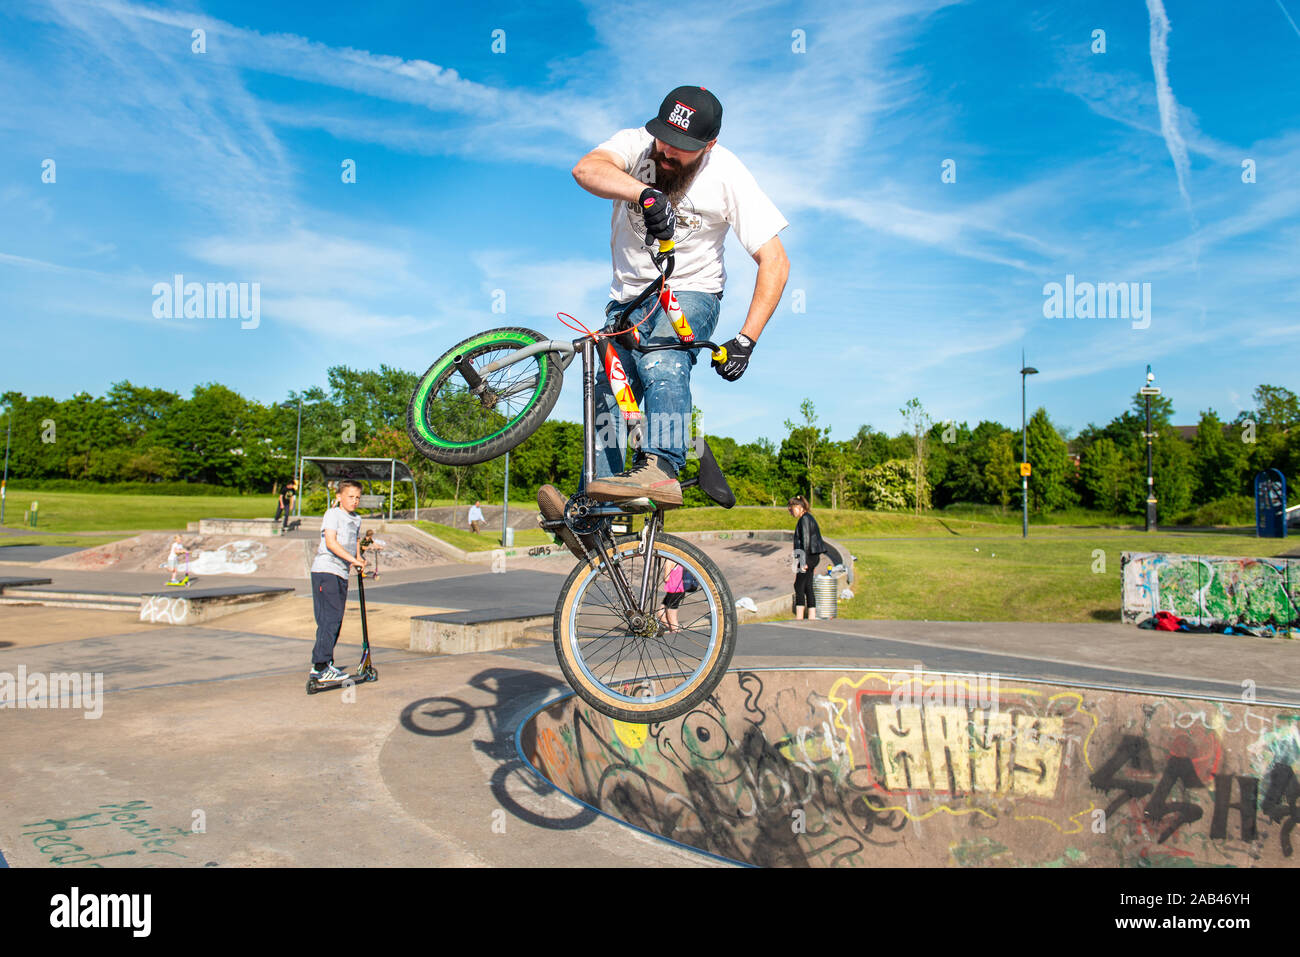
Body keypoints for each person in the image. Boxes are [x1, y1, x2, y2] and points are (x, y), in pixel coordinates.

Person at [537, 85, 789, 535]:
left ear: (708, 146)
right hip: (626, 301)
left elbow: (775, 260)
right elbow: (586, 169)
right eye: (665, 140)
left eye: (684, 149)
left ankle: (663, 466)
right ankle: (594, 517)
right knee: (607, 399)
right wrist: (645, 195)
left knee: (661, 356)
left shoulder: (728, 173)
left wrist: (747, 340)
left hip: (691, 292)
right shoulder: (635, 145)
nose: (668, 154)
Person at [309, 479, 366, 682]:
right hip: (326, 570)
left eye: (358, 497)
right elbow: (331, 543)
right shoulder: (332, 514)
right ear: (339, 497)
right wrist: (352, 560)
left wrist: (358, 558)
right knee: (329, 619)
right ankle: (321, 666)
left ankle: (325, 663)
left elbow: (355, 540)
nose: (354, 501)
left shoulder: (356, 519)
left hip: (341, 573)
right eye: (350, 496)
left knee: (335, 620)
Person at [789, 496, 824, 620]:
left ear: (799, 507)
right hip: (812, 556)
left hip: (807, 557)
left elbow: (806, 540)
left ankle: (799, 618)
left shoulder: (804, 519)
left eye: (791, 508)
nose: (790, 510)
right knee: (808, 585)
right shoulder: (808, 518)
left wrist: (803, 561)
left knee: (798, 585)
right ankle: (811, 617)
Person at [657, 560, 685, 633]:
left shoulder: (669, 561)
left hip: (673, 591)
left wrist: (663, 577)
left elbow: (667, 578)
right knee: (660, 613)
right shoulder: (679, 560)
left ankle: (676, 632)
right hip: (679, 590)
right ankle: (672, 629)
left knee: (672, 618)